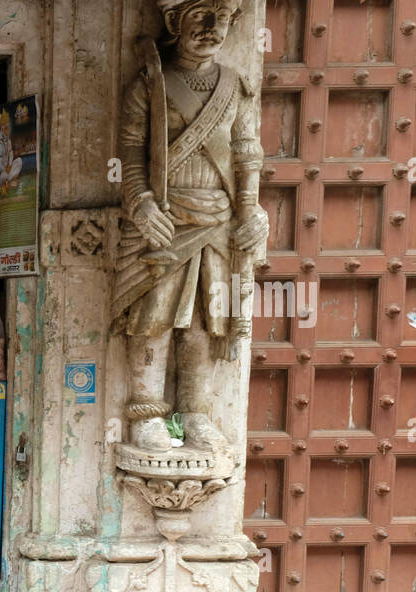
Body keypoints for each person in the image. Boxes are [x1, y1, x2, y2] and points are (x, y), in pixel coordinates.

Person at [111, 0, 269, 453]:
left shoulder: (235, 86)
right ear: (174, 22)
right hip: (165, 218)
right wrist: (141, 204)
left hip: (218, 221)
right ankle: (145, 412)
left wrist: (251, 210)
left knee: (203, 317)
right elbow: (130, 151)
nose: (212, 27)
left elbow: (246, 154)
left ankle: (194, 413)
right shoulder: (150, 82)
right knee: (154, 314)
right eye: (201, 15)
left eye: (221, 17)